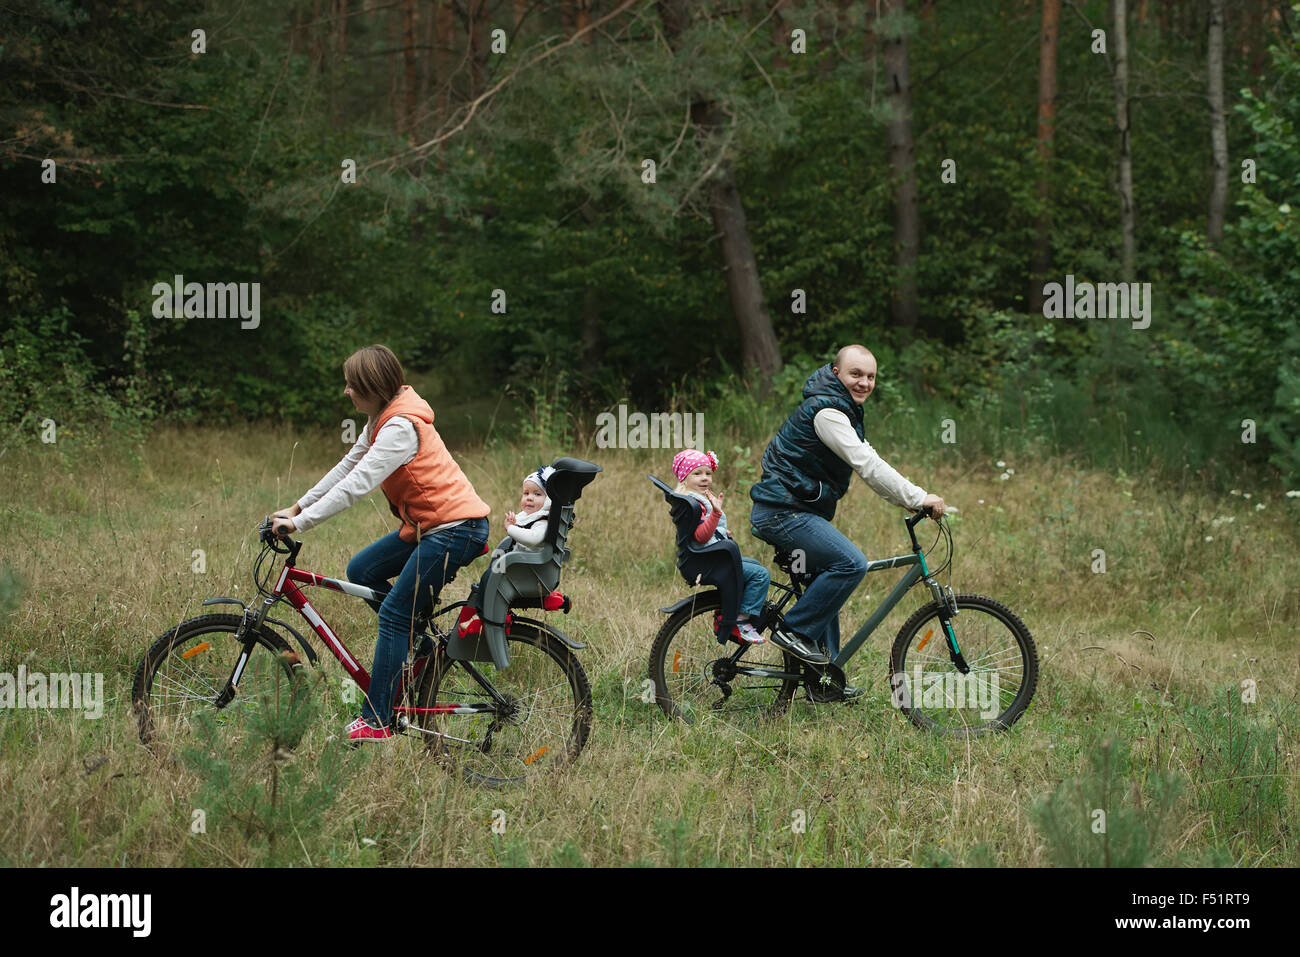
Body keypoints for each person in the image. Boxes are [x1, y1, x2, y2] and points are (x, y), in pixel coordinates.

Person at [271, 345, 490, 741]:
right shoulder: (379, 420)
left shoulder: (399, 428)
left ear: (373, 387)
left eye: (352, 385)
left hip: (455, 531)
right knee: (362, 570)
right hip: (432, 527)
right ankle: (421, 644)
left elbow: (358, 485)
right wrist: (297, 506)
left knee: (392, 615)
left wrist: (300, 524)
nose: (346, 392)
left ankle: (377, 718)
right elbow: (348, 466)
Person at [749, 345, 946, 693]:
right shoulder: (827, 411)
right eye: (856, 374)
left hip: (793, 511)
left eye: (870, 376)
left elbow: (868, 457)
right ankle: (793, 631)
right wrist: (917, 497)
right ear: (836, 373)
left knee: (827, 579)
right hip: (784, 513)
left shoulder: (842, 410)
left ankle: (822, 682)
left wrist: (907, 499)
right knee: (850, 563)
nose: (864, 382)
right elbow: (866, 465)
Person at [672, 449, 770, 645]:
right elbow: (700, 536)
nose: (705, 478)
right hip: (708, 560)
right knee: (760, 575)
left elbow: (703, 532)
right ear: (684, 477)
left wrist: (722, 534)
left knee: (753, 565)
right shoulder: (695, 504)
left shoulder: (692, 498)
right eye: (697, 473)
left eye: (708, 473)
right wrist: (716, 515)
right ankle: (740, 622)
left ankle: (724, 610)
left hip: (708, 556)